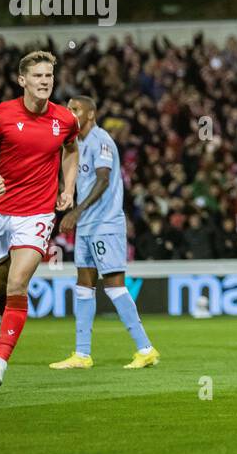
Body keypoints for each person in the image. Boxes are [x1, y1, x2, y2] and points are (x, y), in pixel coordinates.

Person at [0, 51, 79, 388]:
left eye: (49, 76)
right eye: (37, 76)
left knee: (19, 284)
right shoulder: (2, 115)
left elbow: (72, 150)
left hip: (37, 213)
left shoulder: (64, 119)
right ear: (22, 81)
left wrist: (69, 187)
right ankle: (1, 313)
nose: (45, 81)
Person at [50, 95, 158, 370]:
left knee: (114, 285)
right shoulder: (76, 143)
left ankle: (145, 348)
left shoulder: (101, 140)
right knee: (84, 285)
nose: (70, 113)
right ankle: (82, 354)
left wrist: (76, 211)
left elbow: (103, 180)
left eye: (76, 109)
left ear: (91, 114)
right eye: (69, 109)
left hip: (105, 224)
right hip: (87, 226)